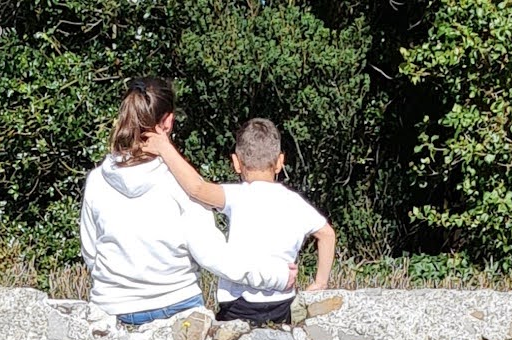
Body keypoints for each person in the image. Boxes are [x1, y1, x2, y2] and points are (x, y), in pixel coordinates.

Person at [79, 78, 288, 326]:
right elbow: (214, 256)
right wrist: (276, 276)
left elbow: (91, 254)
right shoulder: (181, 182)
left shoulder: (97, 181)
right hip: (176, 309)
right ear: (167, 122)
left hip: (110, 309)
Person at [141, 116, 335, 326]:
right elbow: (327, 234)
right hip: (282, 301)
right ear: (280, 161)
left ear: (236, 162)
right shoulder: (296, 203)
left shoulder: (237, 196)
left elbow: (197, 189)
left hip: (238, 303)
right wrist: (319, 282)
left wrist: (165, 148)